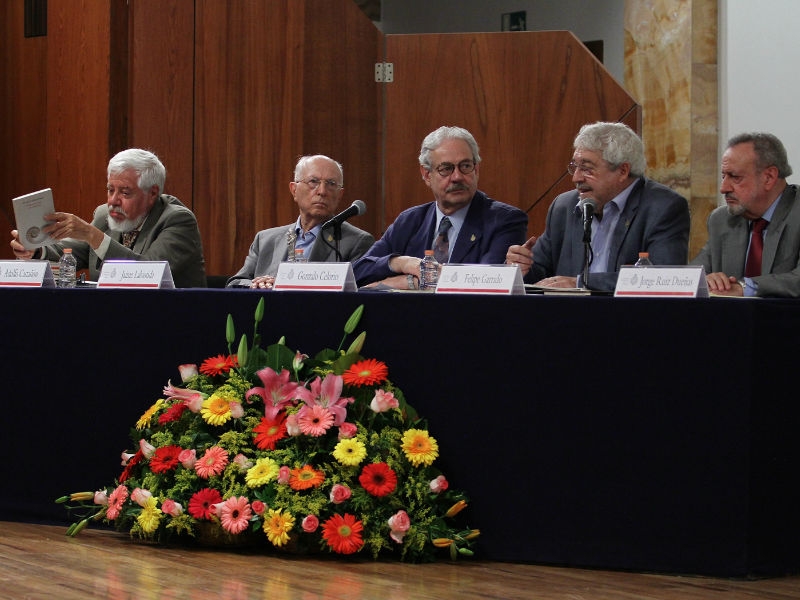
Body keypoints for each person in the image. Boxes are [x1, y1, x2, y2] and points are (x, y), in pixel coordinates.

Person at [506, 121, 690, 292]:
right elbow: (541, 273)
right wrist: (521, 268)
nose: (576, 178)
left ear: (622, 171)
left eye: (587, 169)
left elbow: (662, 279)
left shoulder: (663, 207)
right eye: (574, 167)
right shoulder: (564, 206)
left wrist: (580, 283)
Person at [353, 125, 528, 289]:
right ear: (427, 175)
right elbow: (357, 273)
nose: (457, 177)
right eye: (446, 168)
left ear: (477, 170)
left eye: (466, 166)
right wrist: (401, 263)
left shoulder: (505, 221)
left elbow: (483, 282)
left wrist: (409, 282)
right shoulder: (410, 221)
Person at [10, 148, 207, 288]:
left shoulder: (178, 220)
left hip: (171, 324)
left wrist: (92, 234)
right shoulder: (105, 215)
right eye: (110, 190)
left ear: (152, 193)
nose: (113, 201)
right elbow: (74, 252)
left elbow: (147, 274)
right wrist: (36, 249)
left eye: (125, 192)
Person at [226, 155, 374, 289]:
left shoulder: (356, 242)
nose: (322, 191)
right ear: (294, 190)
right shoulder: (266, 240)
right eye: (313, 181)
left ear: (340, 195)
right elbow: (235, 284)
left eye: (331, 183)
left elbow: (361, 293)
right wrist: (257, 284)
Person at [691, 132, 800, 297]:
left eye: (735, 177)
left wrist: (745, 288)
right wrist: (706, 280)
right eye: (723, 176)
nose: (723, 188)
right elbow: (692, 275)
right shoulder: (721, 219)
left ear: (769, 177)